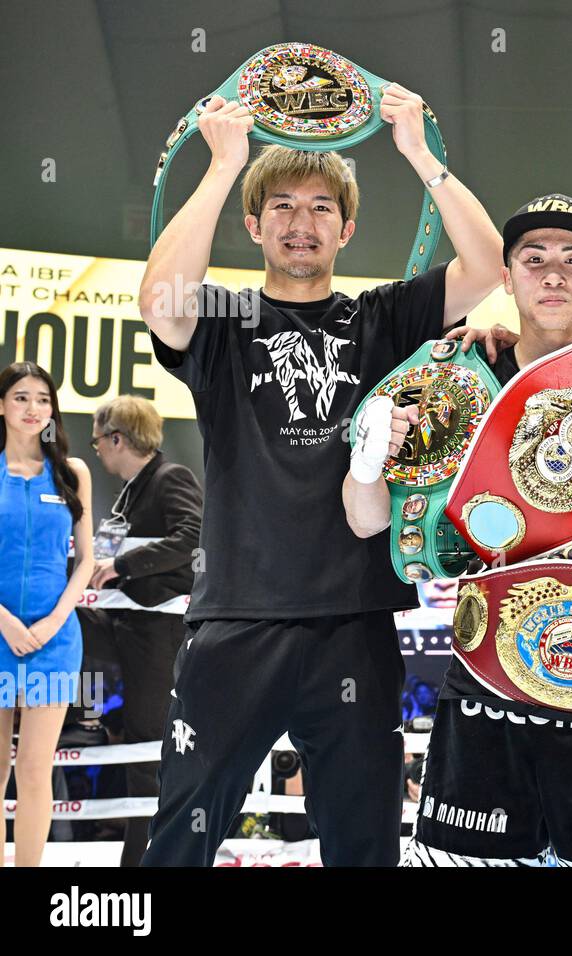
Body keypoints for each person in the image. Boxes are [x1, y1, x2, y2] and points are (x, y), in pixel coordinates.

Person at [137, 82, 503, 866]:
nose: (301, 224)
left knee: (365, 845)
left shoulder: (378, 319)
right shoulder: (226, 320)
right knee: (180, 838)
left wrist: (419, 153)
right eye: (281, 207)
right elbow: (160, 300)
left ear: (347, 228)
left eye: (320, 209)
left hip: (354, 624)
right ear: (253, 223)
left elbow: (488, 264)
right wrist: (222, 164)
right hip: (235, 619)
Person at [346, 194, 572, 866]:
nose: (554, 274)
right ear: (506, 278)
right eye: (533, 260)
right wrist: (367, 461)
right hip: (486, 688)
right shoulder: (453, 383)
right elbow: (367, 522)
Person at [77, 395, 202, 866]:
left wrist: (121, 565)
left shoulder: (171, 478)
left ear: (116, 438)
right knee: (134, 740)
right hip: (123, 623)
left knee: (147, 747)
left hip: (156, 631)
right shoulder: (129, 491)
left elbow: (193, 537)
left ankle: (144, 863)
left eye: (97, 441)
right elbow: (101, 557)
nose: (95, 452)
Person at [0, 362, 95, 866]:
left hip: (53, 642)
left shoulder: (71, 472)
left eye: (42, 398)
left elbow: (86, 561)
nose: (33, 408)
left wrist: (55, 620)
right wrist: (7, 622)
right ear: (1, 405)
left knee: (36, 771)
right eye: (20, 397)